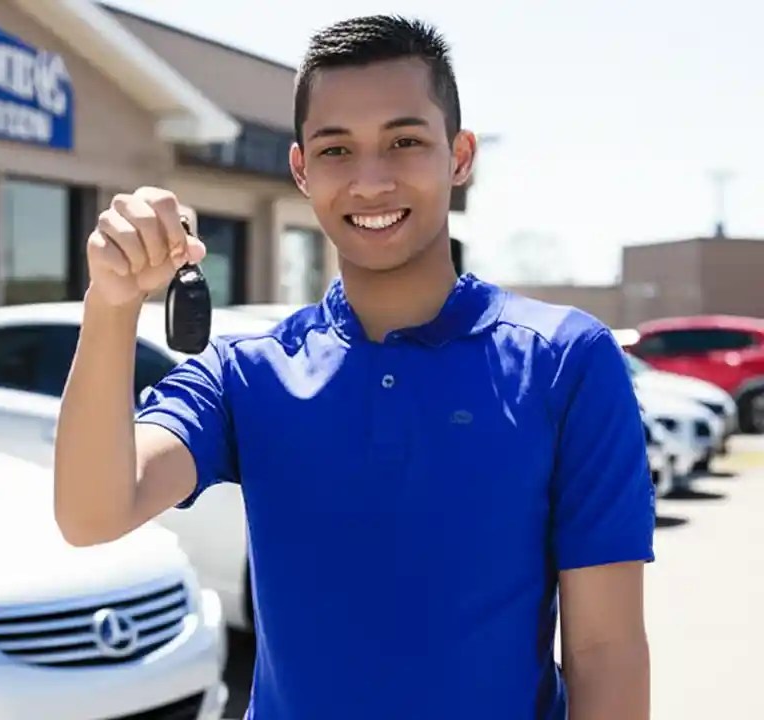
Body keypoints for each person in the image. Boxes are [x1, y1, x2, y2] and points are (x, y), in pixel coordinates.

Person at [53, 14, 653, 720]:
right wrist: (113, 303)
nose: (370, 182)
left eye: (404, 142)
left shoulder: (566, 363)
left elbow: (604, 651)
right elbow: (92, 513)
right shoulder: (247, 374)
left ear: (459, 157)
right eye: (337, 150)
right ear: (301, 169)